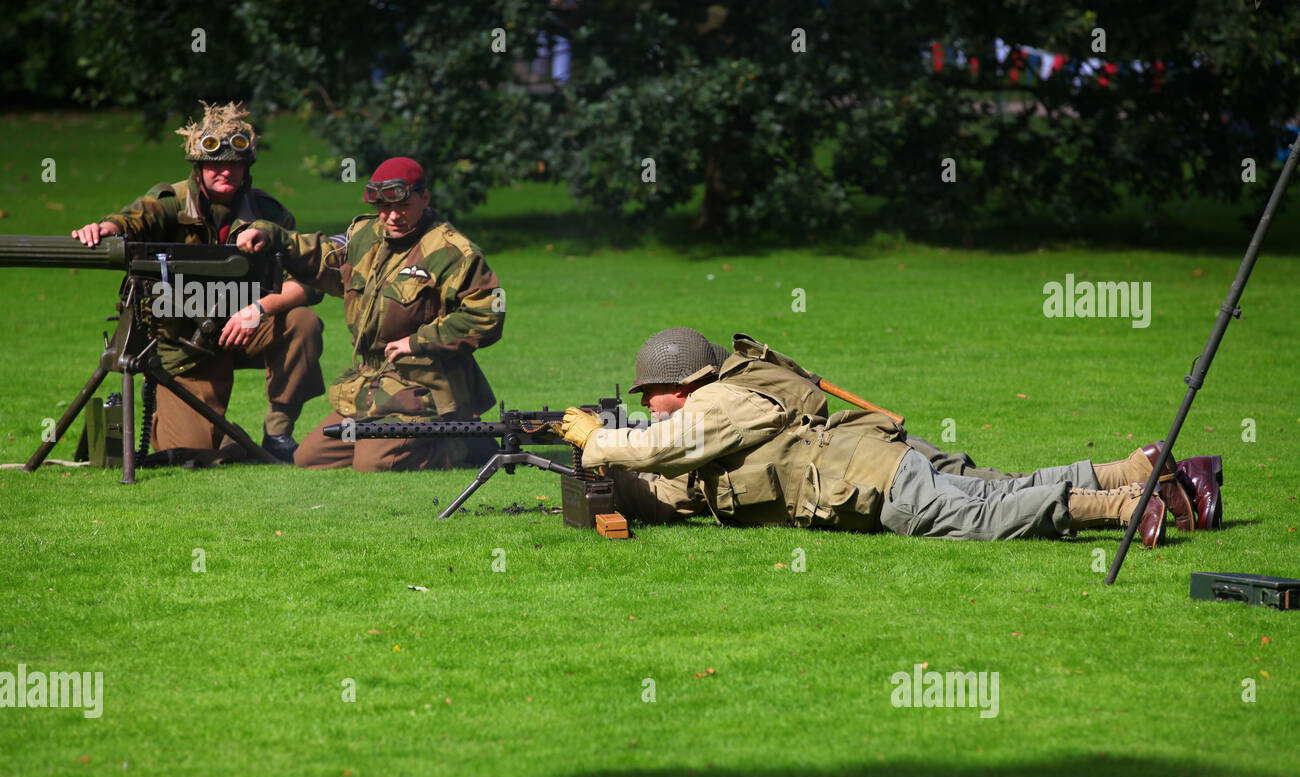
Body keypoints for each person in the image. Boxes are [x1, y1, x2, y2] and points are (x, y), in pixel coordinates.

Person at [553, 328, 1227, 546]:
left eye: (651, 396)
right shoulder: (716, 407)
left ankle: (1120, 508)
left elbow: (663, 447)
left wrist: (601, 441)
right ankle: (1132, 470)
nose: (647, 406)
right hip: (874, 463)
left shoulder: (721, 402)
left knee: (980, 519)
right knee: (1001, 489)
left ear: (684, 383)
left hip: (872, 479)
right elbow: (676, 478)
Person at [71, 101, 324, 462]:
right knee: (191, 454)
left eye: (234, 163)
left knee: (303, 323)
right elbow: (130, 222)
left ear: (246, 167)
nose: (225, 172)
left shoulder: (269, 214)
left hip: (245, 329)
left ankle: (278, 434)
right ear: (198, 167)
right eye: (215, 164)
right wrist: (104, 229)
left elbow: (311, 280)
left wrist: (258, 309)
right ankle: (219, 435)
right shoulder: (171, 203)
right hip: (188, 347)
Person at [236, 157, 504, 471]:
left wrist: (419, 341)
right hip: (370, 385)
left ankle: (463, 444)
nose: (392, 216)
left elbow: (487, 314)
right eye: (383, 208)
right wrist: (271, 234)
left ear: (425, 198)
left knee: (375, 463)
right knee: (310, 458)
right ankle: (388, 443)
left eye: (402, 206)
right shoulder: (366, 235)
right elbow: (323, 258)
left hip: (422, 386)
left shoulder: (452, 251)